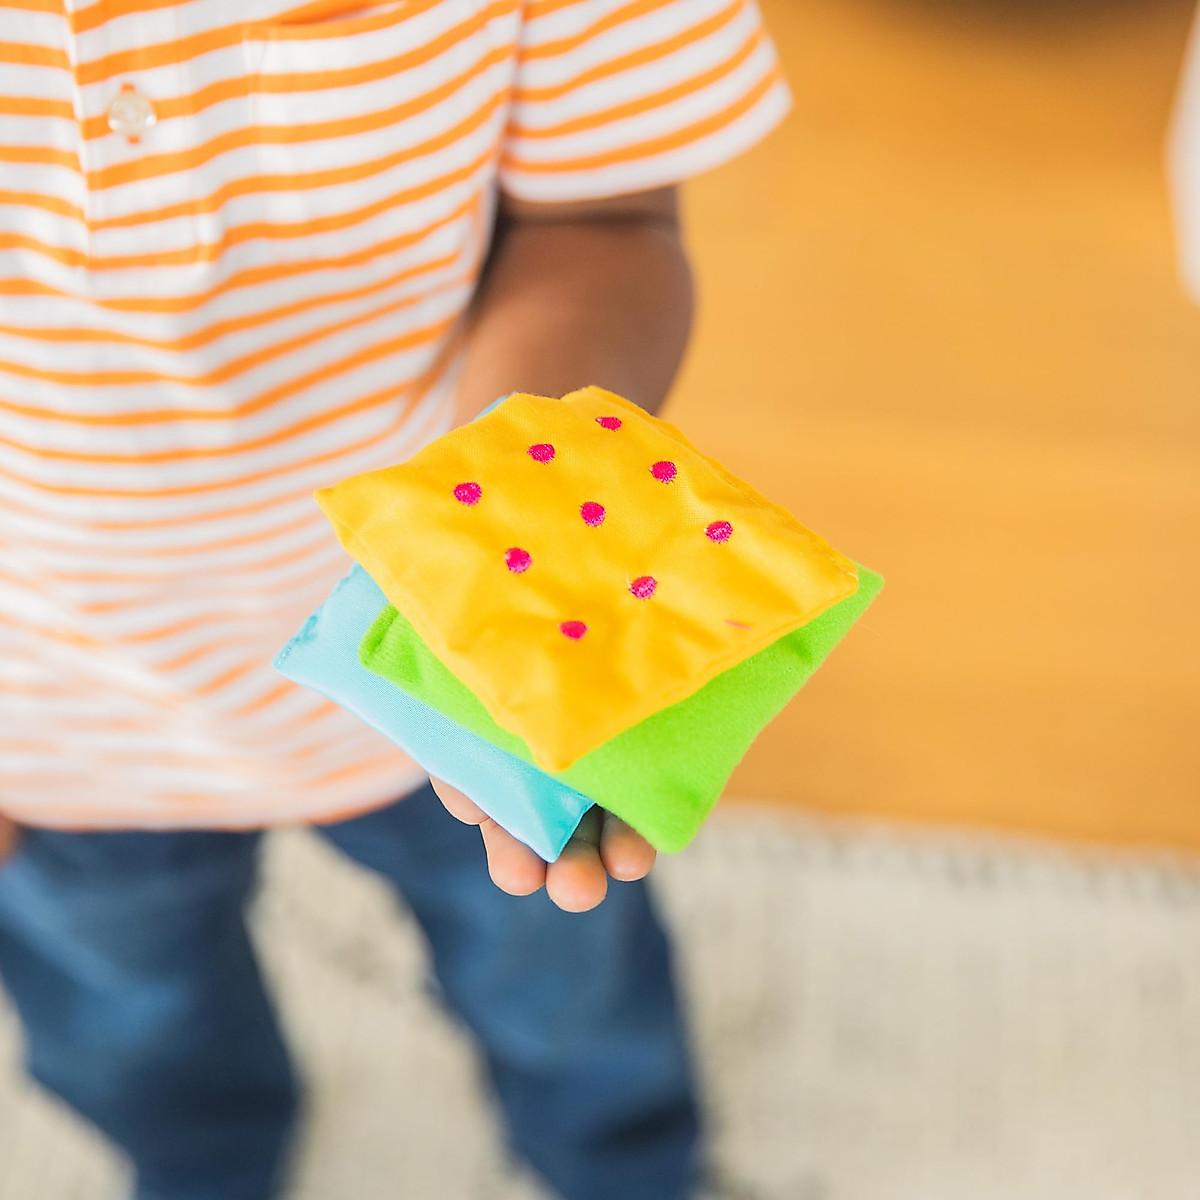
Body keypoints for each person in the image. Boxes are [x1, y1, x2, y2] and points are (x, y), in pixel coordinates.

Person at [0, 2, 791, 1196]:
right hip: (51, 727)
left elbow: (607, 220)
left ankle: (626, 1163)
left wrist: (512, 534)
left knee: (570, 993)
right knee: (135, 1037)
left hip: (453, 664)